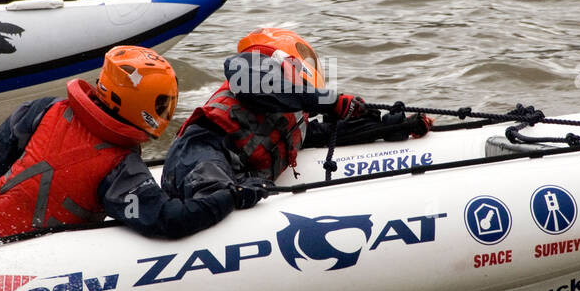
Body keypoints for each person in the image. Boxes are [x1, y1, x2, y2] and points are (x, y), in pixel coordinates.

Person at [0, 46, 262, 243]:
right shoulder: (120, 166)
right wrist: (229, 197)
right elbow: (167, 220)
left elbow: (1, 152)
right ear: (137, 102)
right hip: (9, 248)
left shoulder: (46, 107)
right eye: (162, 103)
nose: (166, 111)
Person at [160, 27, 432, 205]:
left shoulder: (291, 113)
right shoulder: (246, 68)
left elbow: (320, 135)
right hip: (200, 155)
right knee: (223, 198)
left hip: (230, 169)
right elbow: (263, 90)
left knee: (245, 192)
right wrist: (332, 101)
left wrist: (386, 126)